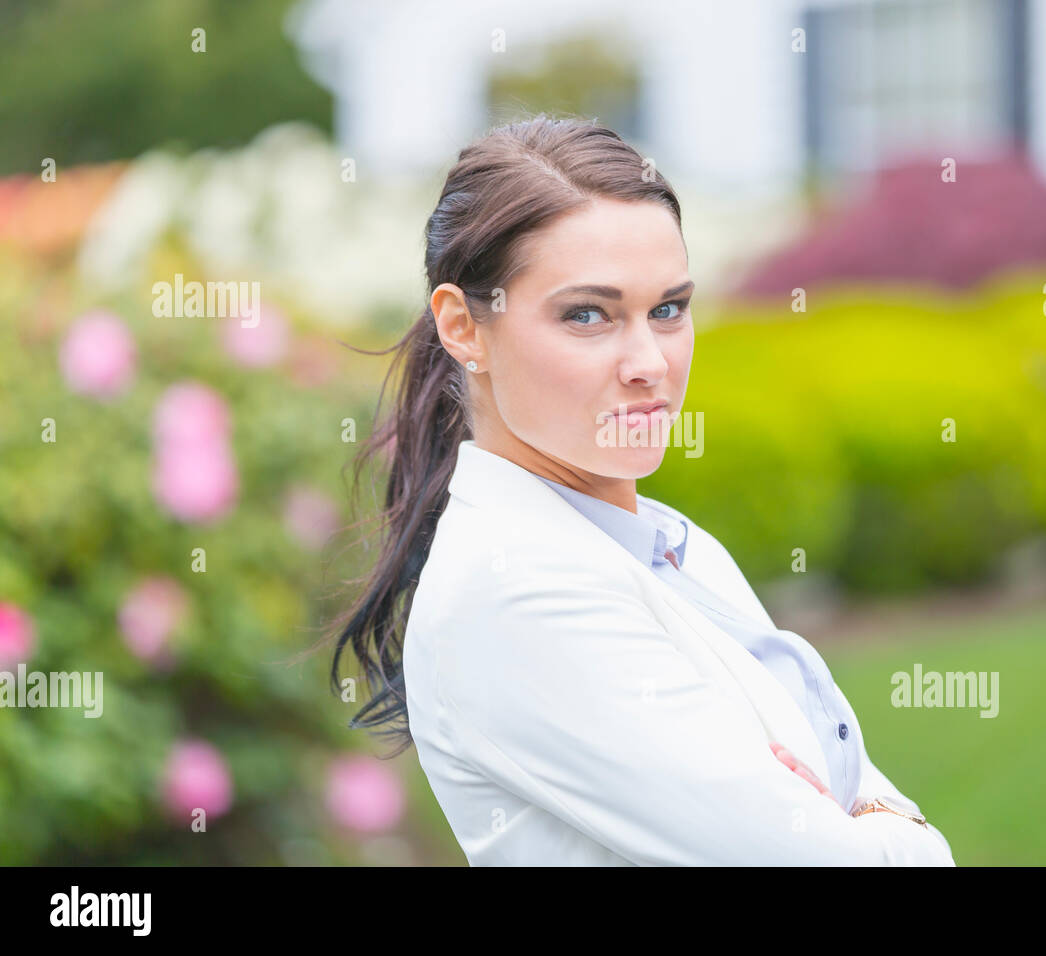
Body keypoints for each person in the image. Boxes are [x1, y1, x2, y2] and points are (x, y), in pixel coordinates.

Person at [328, 113, 955, 866]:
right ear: (464, 327)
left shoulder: (670, 546)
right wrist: (882, 822)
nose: (649, 362)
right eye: (588, 314)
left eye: (668, 309)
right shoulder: (517, 593)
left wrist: (855, 813)